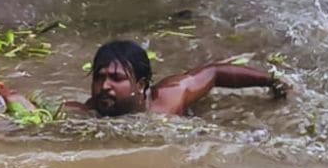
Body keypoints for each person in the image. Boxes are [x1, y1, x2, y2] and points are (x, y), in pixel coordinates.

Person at [67, 40, 289, 117]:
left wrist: (271, 80)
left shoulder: (169, 98)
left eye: (116, 78)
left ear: (141, 84)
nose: (105, 86)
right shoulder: (86, 112)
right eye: (99, 78)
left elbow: (212, 72)